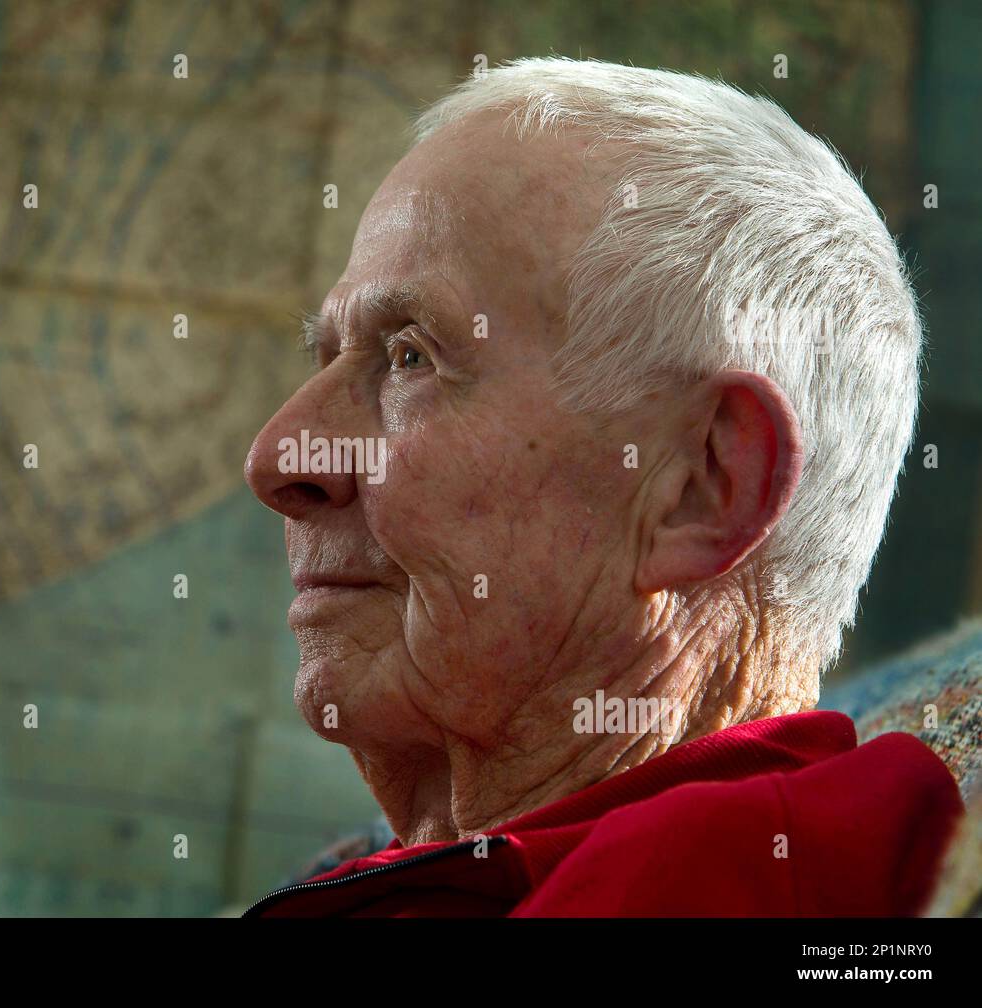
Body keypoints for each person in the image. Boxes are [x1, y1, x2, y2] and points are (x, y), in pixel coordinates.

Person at [242, 57, 963, 916]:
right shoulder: (441, 866)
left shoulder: (730, 878)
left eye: (410, 358)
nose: (279, 458)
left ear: (703, 484)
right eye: (327, 357)